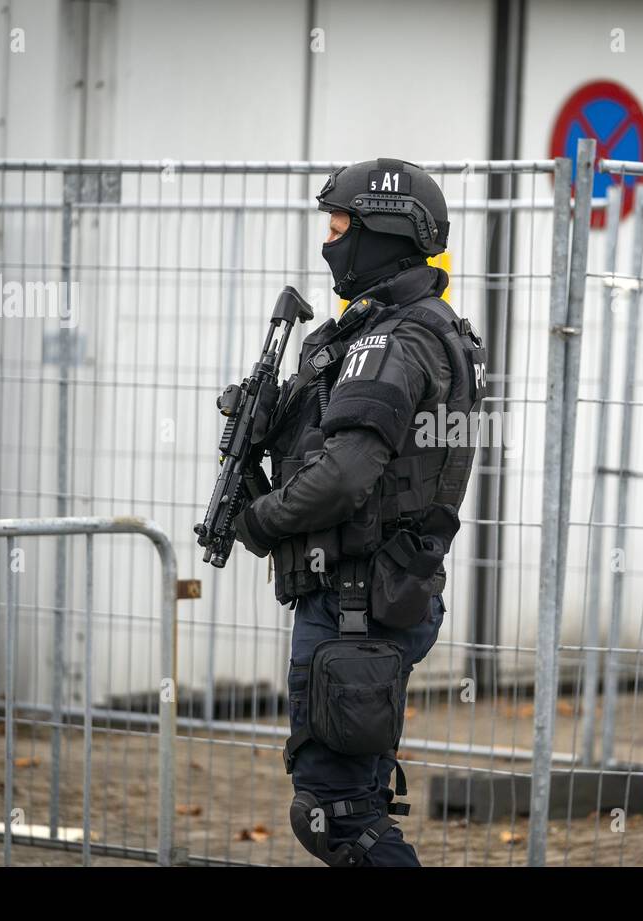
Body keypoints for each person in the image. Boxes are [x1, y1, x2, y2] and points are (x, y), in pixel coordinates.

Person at [232, 158, 486, 867]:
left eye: (340, 227)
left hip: (357, 604)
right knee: (357, 803)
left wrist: (260, 521)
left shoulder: (393, 341)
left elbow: (344, 477)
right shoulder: (400, 329)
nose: (328, 241)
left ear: (380, 233)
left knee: (337, 816)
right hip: (375, 599)